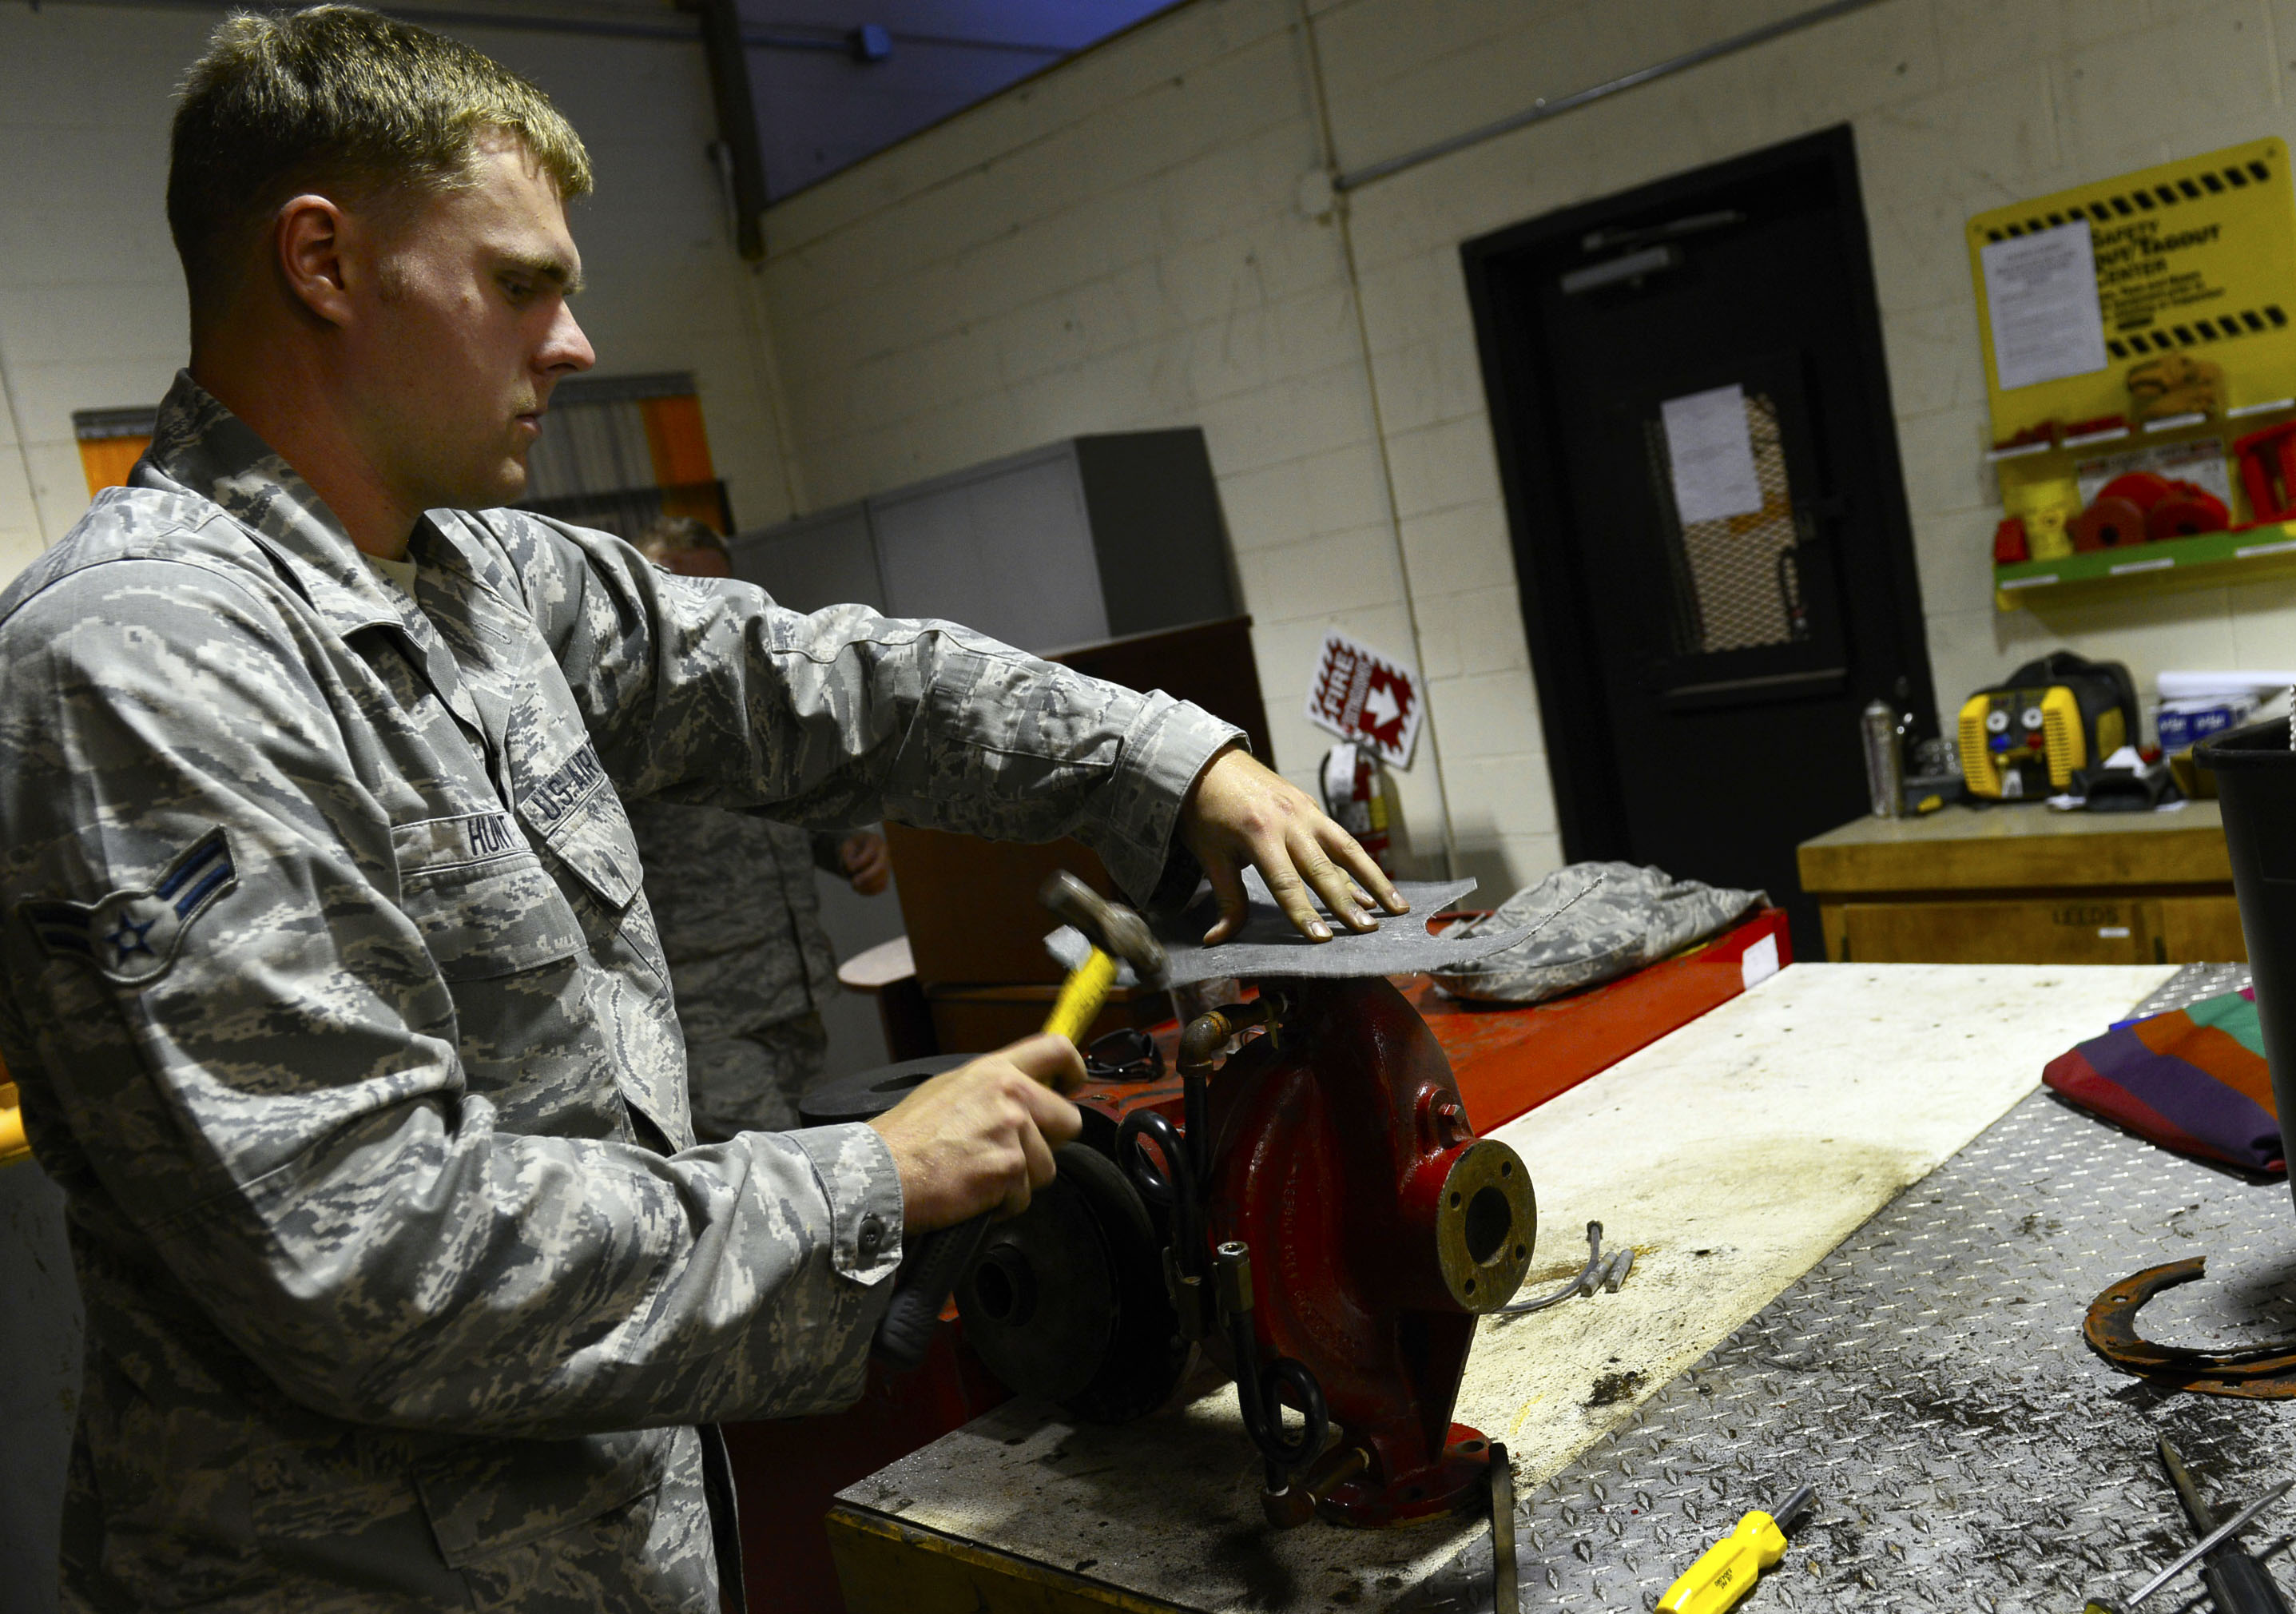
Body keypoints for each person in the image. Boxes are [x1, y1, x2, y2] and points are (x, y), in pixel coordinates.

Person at [0, 9, 1402, 1611]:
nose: (574, 343)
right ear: (320, 261)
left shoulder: (480, 580)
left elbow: (823, 681)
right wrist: (868, 1179)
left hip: (609, 1541)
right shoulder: (145, 661)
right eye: (520, 284)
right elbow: (362, 1250)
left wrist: (1165, 761)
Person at [623, 515, 891, 1143]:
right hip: (703, 1015)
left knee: (815, 1158)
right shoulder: (618, 714)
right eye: (680, 587)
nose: (703, 608)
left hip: (792, 996)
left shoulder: (756, 695)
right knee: (776, 1192)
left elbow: (774, 810)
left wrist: (844, 846)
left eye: (718, 588)